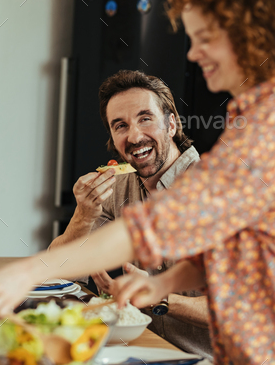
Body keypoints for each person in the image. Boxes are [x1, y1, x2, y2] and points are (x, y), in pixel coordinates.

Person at [0, 0, 275, 363]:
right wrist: (164, 283)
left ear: (250, 32)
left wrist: (28, 272)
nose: (193, 54)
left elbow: (159, 225)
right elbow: (237, 244)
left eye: (204, 38)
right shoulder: (271, 115)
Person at [49, 70, 211, 359]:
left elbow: (243, 308)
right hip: (140, 352)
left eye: (145, 118)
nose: (135, 136)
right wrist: (83, 216)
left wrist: (157, 296)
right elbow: (57, 270)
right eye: (120, 125)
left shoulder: (217, 189)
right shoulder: (119, 186)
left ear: (171, 124)